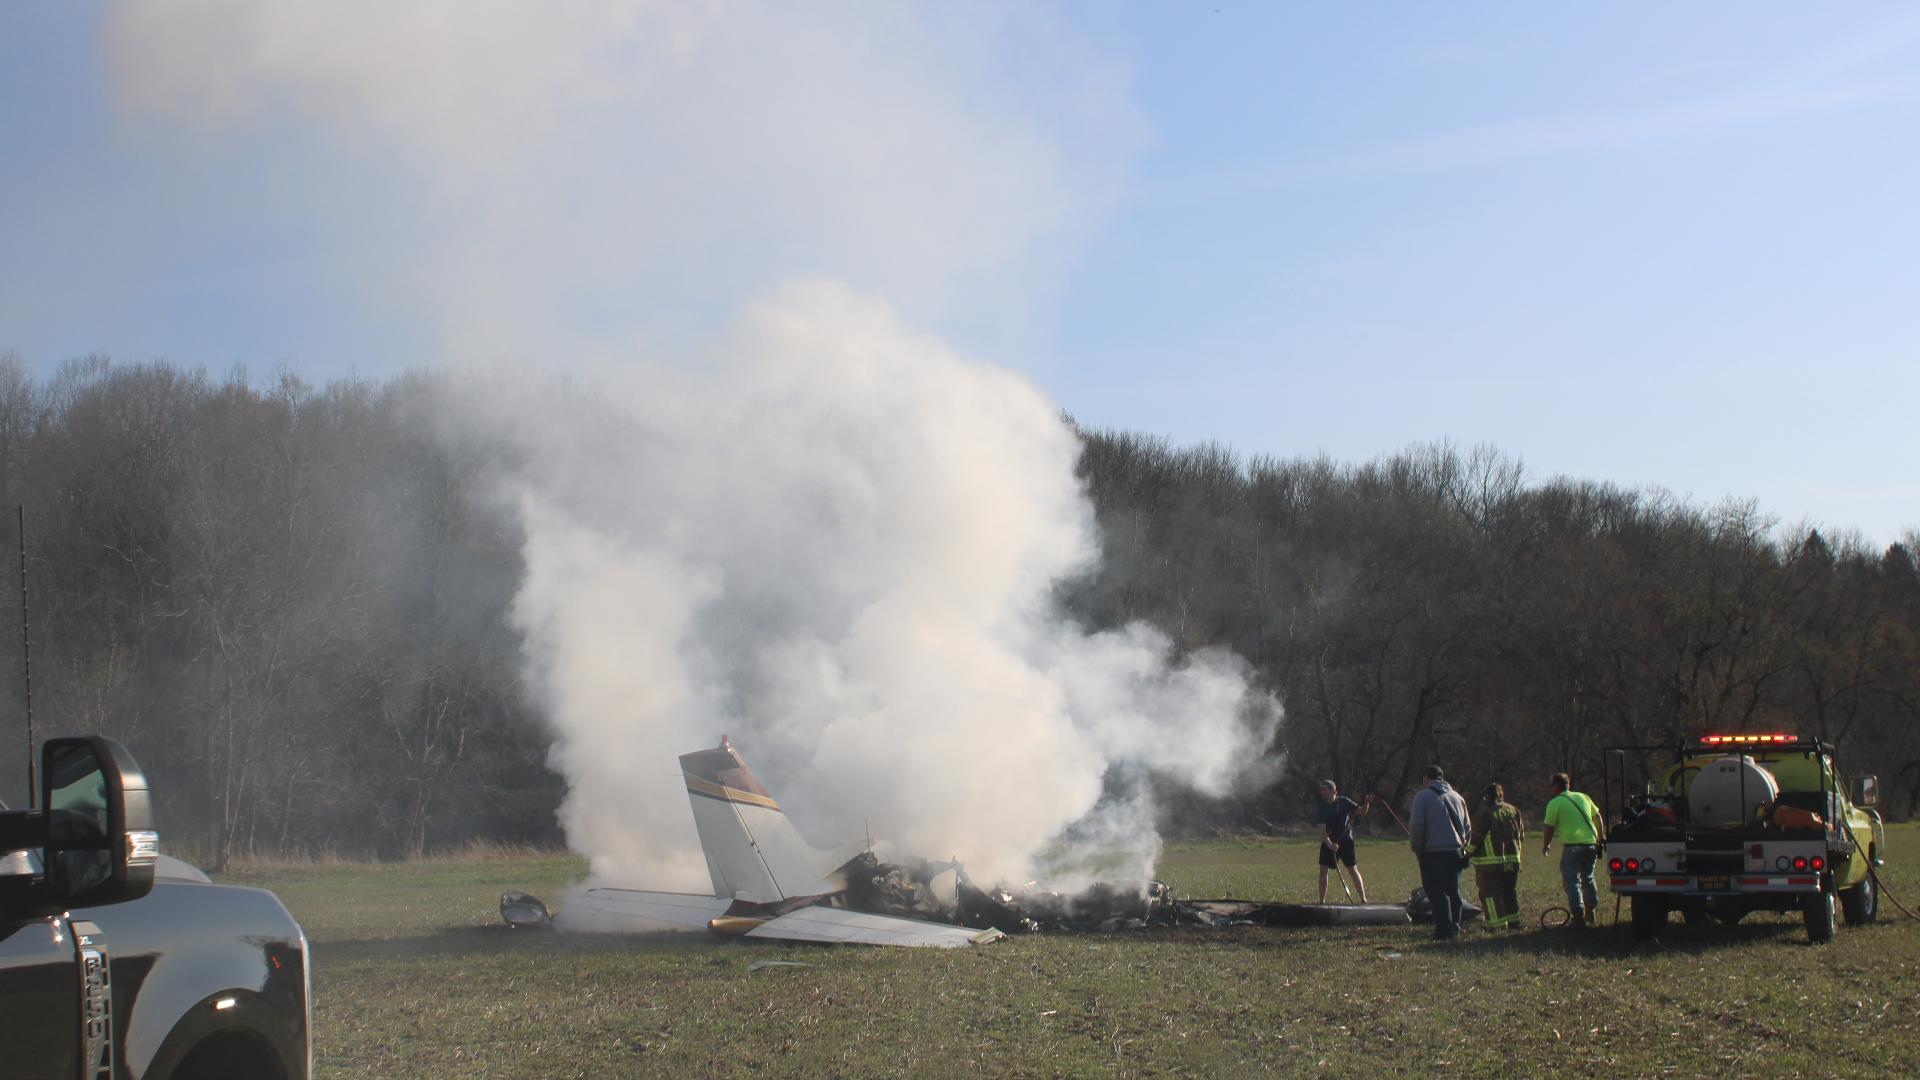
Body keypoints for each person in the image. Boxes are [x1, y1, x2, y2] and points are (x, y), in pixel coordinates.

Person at [1407, 765, 1471, 940]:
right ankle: (1455, 926)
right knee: (1454, 891)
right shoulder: (1457, 797)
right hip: (1456, 852)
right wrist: (1463, 846)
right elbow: (1467, 827)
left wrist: (1417, 848)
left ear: (1426, 778)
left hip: (1433, 853)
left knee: (1437, 892)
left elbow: (1416, 826)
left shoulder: (1422, 797)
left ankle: (1443, 930)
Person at [1541, 772, 1607, 926]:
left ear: (1556, 786)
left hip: (1572, 847)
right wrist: (1601, 836)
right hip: (1591, 845)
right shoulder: (1583, 797)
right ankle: (1590, 913)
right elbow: (1597, 817)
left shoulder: (1555, 803)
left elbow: (1549, 828)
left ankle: (1577, 916)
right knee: (1588, 878)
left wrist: (1546, 845)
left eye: (1552, 786)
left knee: (1572, 881)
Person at [1468, 783, 1525, 930]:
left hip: (1490, 864)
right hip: (1513, 861)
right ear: (1502, 795)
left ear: (1486, 797)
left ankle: (1496, 926)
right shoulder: (1514, 811)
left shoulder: (1485, 813)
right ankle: (1514, 922)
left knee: (1490, 895)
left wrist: (1465, 854)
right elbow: (1521, 836)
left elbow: (1476, 838)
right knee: (1509, 892)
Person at [1311, 780, 1374, 903]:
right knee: (1323, 870)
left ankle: (1363, 899)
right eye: (1322, 789)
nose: (1323, 792)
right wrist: (1330, 845)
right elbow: (1323, 832)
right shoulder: (1322, 807)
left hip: (1346, 841)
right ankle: (1321, 901)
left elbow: (1362, 811)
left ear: (1334, 791)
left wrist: (1366, 803)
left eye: (1325, 789)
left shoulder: (1344, 801)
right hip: (1329, 841)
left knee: (1352, 869)